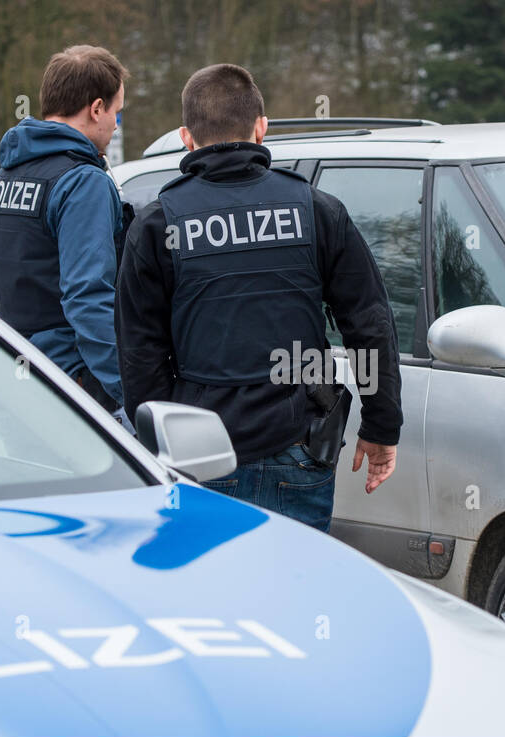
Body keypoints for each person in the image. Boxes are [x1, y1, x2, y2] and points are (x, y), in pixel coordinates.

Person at [115, 63, 402, 533]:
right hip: (300, 448)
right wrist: (381, 425)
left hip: (200, 456)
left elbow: (138, 354)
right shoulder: (316, 209)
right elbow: (370, 324)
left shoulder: (158, 225)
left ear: (187, 137)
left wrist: (165, 446)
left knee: (214, 597)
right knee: (297, 595)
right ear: (261, 128)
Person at [0, 44, 131, 428]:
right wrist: (129, 390)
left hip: (16, 380)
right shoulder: (82, 182)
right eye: (116, 111)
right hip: (73, 390)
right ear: (96, 108)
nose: (115, 124)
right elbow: (87, 297)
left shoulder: (5, 177)